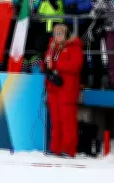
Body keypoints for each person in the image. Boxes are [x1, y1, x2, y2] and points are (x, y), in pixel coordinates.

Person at [43, 23, 83, 157]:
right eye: (55, 33)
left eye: (60, 33)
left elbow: (76, 65)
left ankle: (68, 148)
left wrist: (56, 65)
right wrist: (46, 64)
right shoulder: (52, 46)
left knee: (67, 120)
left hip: (67, 88)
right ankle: (56, 148)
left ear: (66, 34)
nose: (57, 36)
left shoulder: (74, 46)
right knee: (55, 120)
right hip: (53, 88)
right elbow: (46, 64)